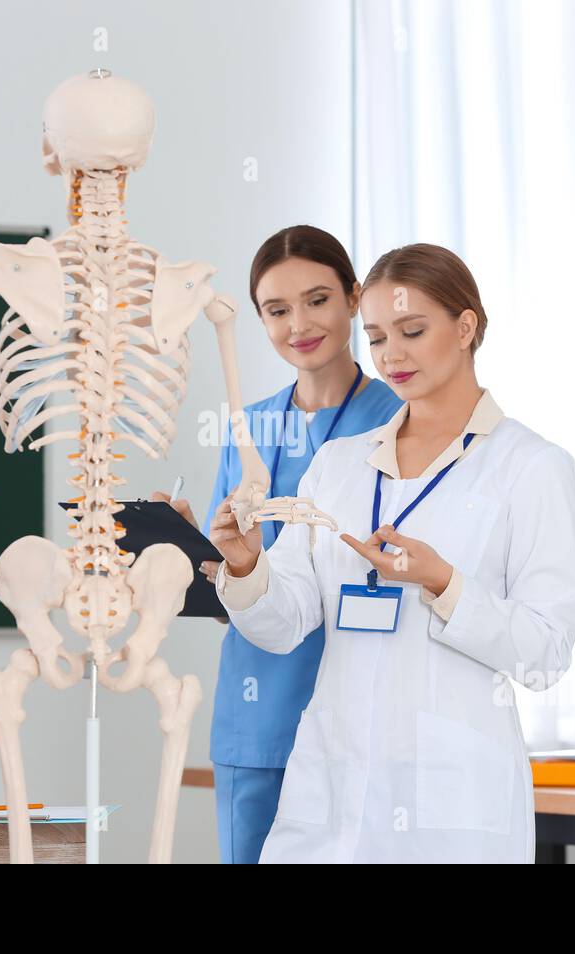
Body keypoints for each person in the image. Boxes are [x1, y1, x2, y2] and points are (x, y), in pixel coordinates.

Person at [208, 243, 575, 863]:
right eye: (378, 336)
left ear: (466, 327)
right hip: (329, 800)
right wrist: (248, 565)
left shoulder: (531, 467)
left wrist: (443, 582)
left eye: (412, 330)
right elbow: (283, 625)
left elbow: (546, 652)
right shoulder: (338, 467)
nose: (392, 355)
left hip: (452, 804)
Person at [156, 225, 402, 863]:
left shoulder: (399, 420)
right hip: (257, 715)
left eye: (318, 300)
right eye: (276, 310)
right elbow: (224, 595)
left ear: (354, 298)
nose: (300, 324)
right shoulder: (251, 427)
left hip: (361, 716)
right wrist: (182, 546)